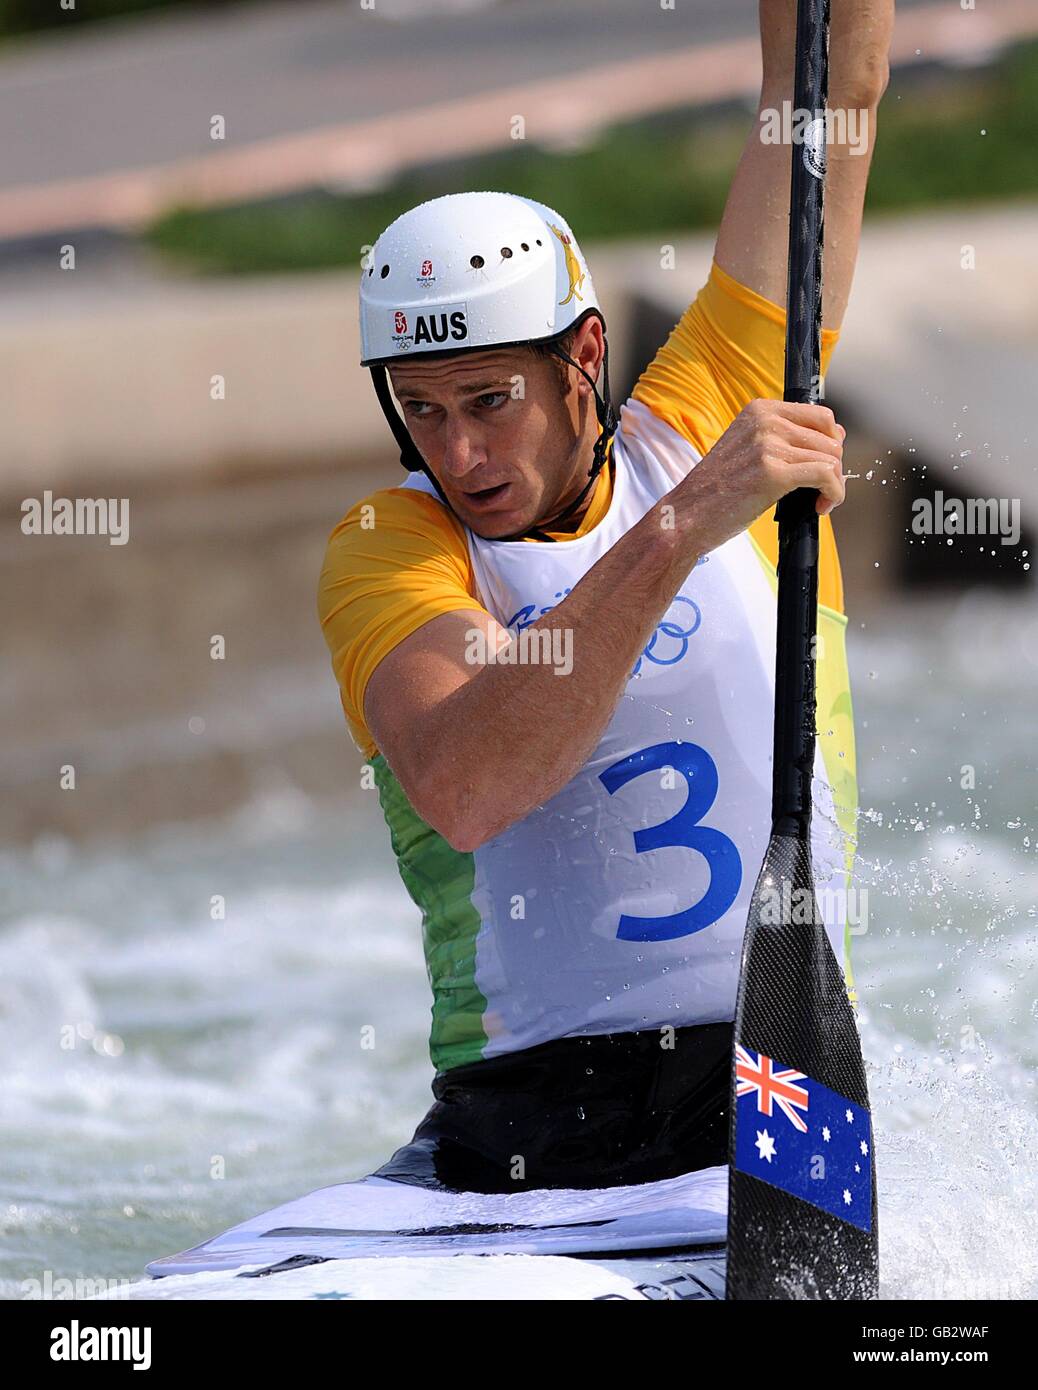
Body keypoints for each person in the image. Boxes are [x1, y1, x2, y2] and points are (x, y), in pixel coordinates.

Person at [319, 1, 894, 1194]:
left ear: (584, 360)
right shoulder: (390, 545)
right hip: (519, 1136)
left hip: (777, 1084)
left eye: (488, 402)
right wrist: (686, 522)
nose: (458, 455)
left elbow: (832, 86)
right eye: (419, 410)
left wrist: (690, 489)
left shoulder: (713, 402)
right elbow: (471, 785)